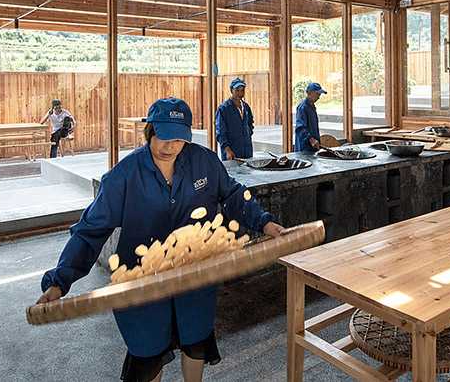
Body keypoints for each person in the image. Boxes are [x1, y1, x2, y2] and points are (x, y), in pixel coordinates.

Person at [36, 97, 285, 382]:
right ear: (150, 131)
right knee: (148, 351)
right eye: (164, 138)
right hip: (142, 279)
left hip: (195, 272)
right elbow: (90, 231)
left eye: (179, 139)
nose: (171, 147)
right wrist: (59, 280)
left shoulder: (203, 161)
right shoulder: (124, 176)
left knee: (195, 340)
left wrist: (264, 223)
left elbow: (232, 194)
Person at [215, 77, 255, 161]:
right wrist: (227, 150)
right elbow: (220, 133)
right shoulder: (223, 109)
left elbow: (250, 124)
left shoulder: (246, 107)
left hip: (247, 151)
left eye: (242, 90)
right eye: (237, 90)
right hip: (232, 153)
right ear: (231, 90)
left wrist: (247, 136)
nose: (240, 93)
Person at [293, 82, 326, 152]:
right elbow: (300, 128)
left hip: (313, 147)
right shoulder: (303, 108)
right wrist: (311, 140)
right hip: (304, 147)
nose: (319, 97)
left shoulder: (312, 107)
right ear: (309, 93)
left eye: (319, 94)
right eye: (317, 94)